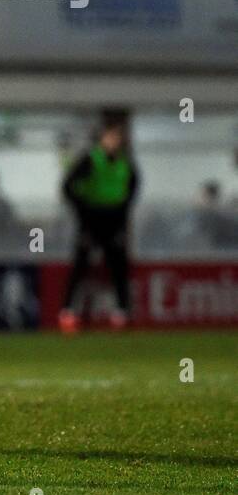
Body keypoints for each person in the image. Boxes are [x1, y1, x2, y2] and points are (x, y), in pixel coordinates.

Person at [59, 115, 139, 333]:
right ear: (102, 138)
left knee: (118, 266)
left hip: (114, 220)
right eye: (111, 136)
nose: (115, 141)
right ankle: (68, 312)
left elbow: (132, 189)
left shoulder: (125, 162)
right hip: (91, 219)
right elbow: (68, 186)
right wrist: (83, 211)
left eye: (118, 137)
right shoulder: (90, 160)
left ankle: (122, 312)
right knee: (81, 266)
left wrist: (121, 213)